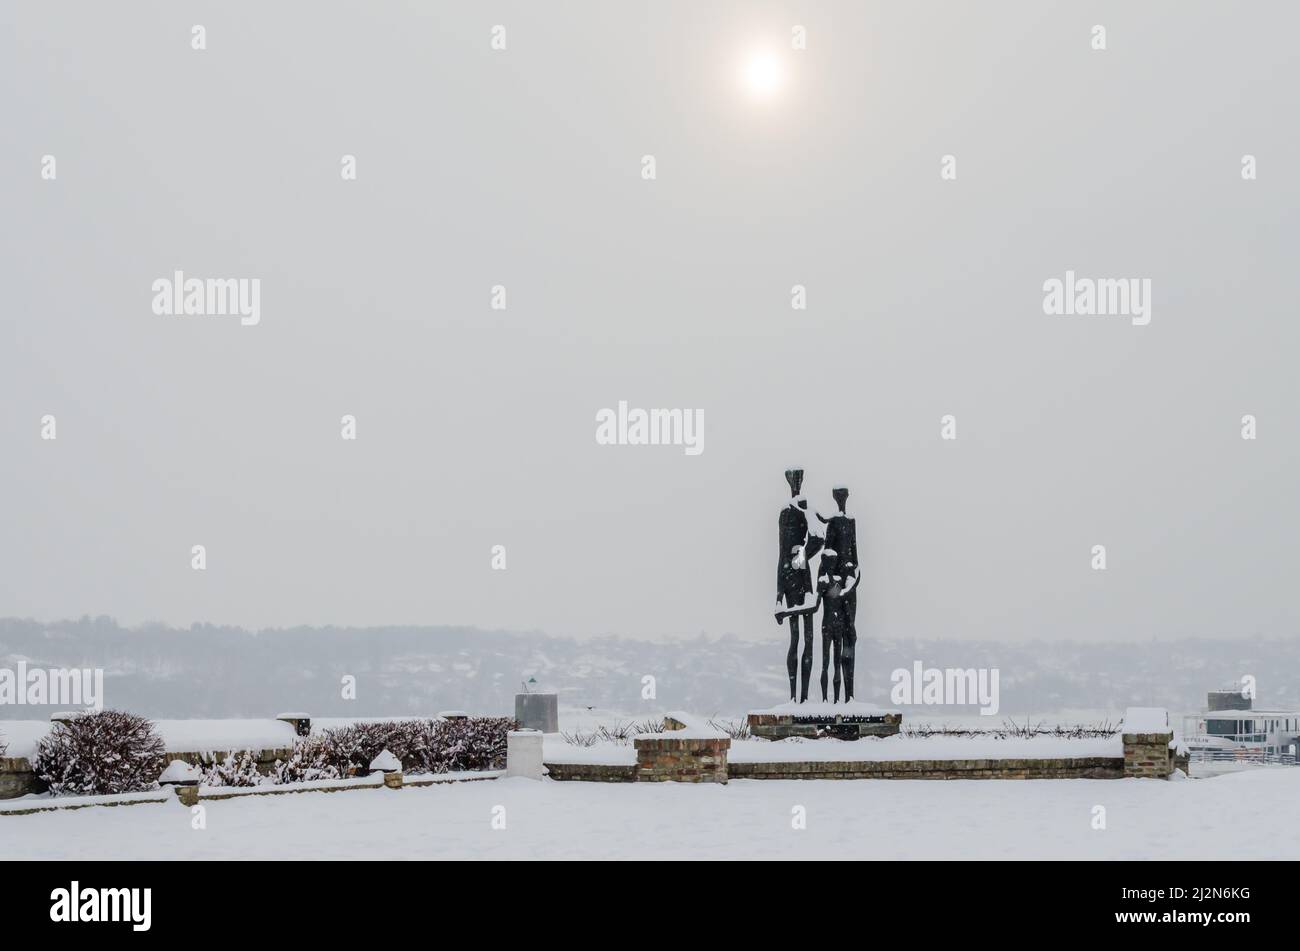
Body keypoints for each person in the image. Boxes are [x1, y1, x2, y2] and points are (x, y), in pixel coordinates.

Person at [776, 468, 823, 702]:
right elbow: (781, 553)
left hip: (803, 577)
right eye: (793, 479)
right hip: (790, 579)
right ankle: (795, 697)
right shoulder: (785, 513)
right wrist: (778, 597)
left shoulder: (805, 509)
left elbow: (819, 536)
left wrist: (803, 554)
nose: (797, 483)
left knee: (809, 639)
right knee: (796, 638)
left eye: (799, 479)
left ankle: (803, 697)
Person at [816, 486, 859, 703]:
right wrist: (832, 583)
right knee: (837, 639)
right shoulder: (832, 522)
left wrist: (849, 587)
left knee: (850, 635)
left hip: (848, 584)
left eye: (844, 497)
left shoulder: (851, 521)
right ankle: (833, 698)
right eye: (838, 497)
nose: (841, 500)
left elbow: (857, 559)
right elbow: (826, 553)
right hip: (838, 582)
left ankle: (849, 695)